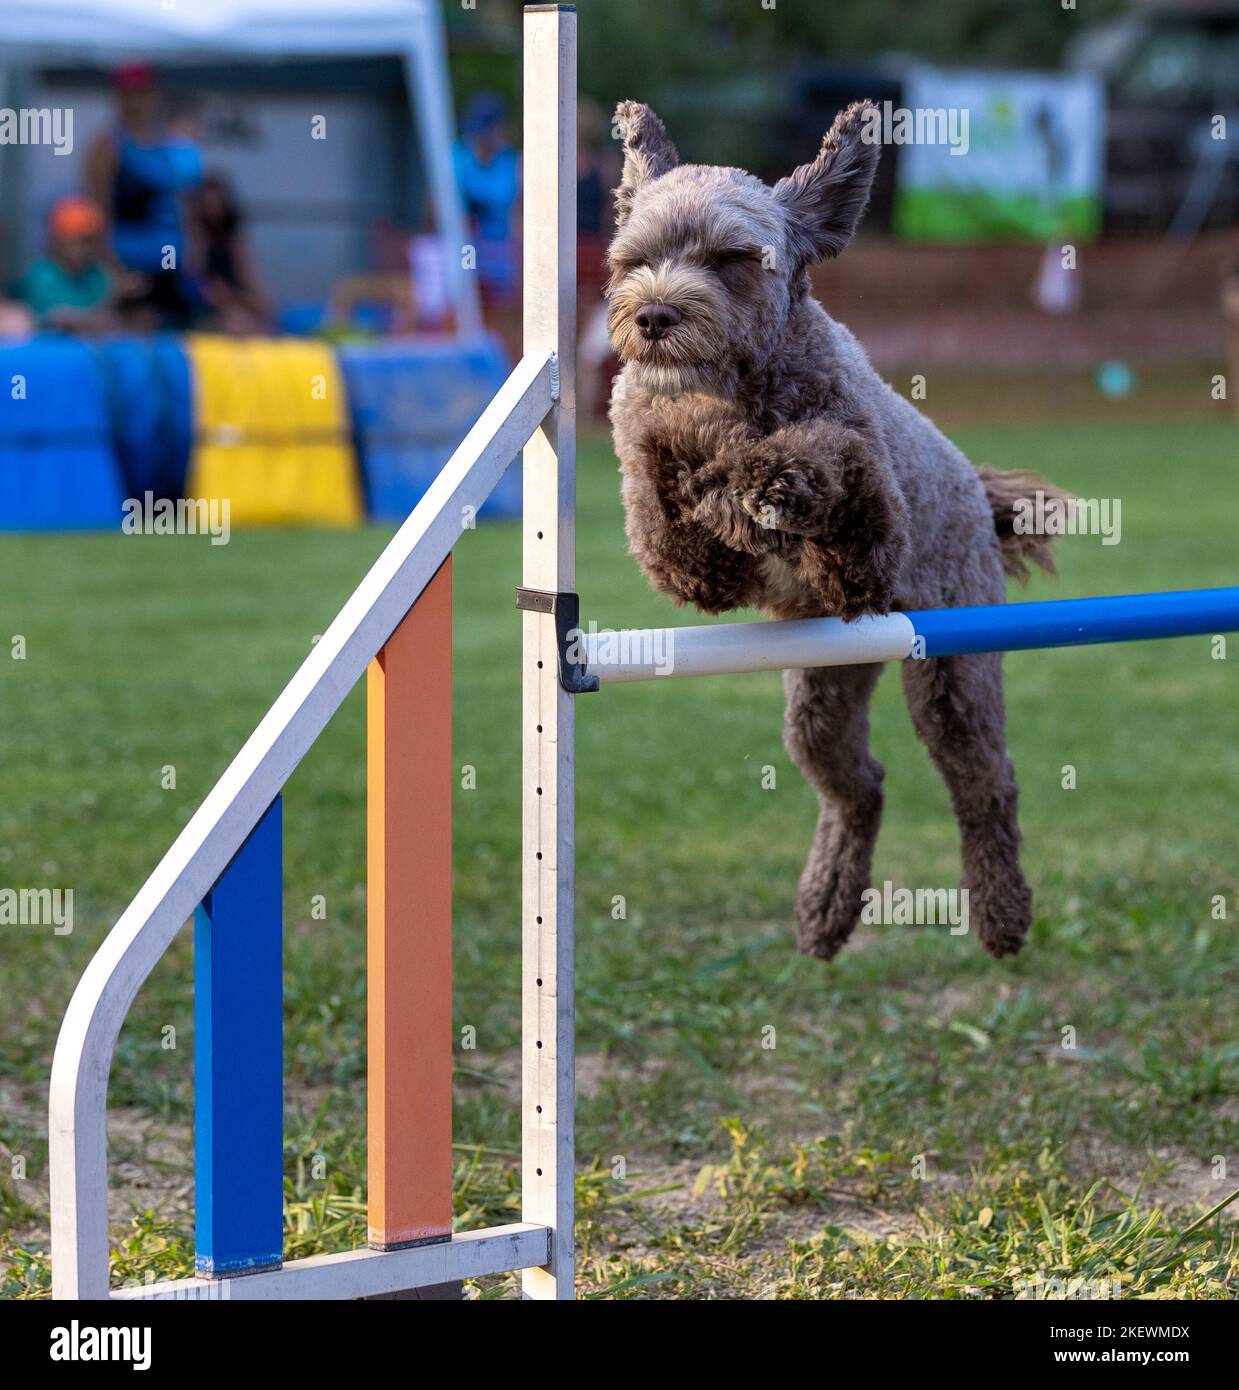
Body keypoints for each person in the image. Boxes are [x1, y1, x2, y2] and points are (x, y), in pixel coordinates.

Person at [85, 63, 203, 329]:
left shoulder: (171, 145)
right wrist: (111, 269)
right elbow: (98, 210)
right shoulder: (108, 147)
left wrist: (194, 255)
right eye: (128, 95)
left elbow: (185, 206)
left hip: (172, 266)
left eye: (141, 94)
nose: (135, 102)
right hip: (130, 263)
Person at [452, 92, 520, 308]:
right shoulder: (456, 157)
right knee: (465, 292)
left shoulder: (510, 161)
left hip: (500, 248)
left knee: (503, 304)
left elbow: (516, 209)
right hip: (466, 245)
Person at [20, 197, 118, 333]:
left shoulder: (98, 276)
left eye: (90, 241)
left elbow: (109, 319)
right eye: (78, 241)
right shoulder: (41, 275)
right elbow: (57, 318)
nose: (84, 249)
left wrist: (117, 296)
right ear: (58, 242)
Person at [194, 172, 272, 335]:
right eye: (208, 204)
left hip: (232, 299)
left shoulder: (234, 240)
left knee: (251, 315)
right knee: (236, 320)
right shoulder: (190, 237)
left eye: (217, 204)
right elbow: (189, 274)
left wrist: (256, 301)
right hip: (204, 302)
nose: (213, 210)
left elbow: (249, 277)